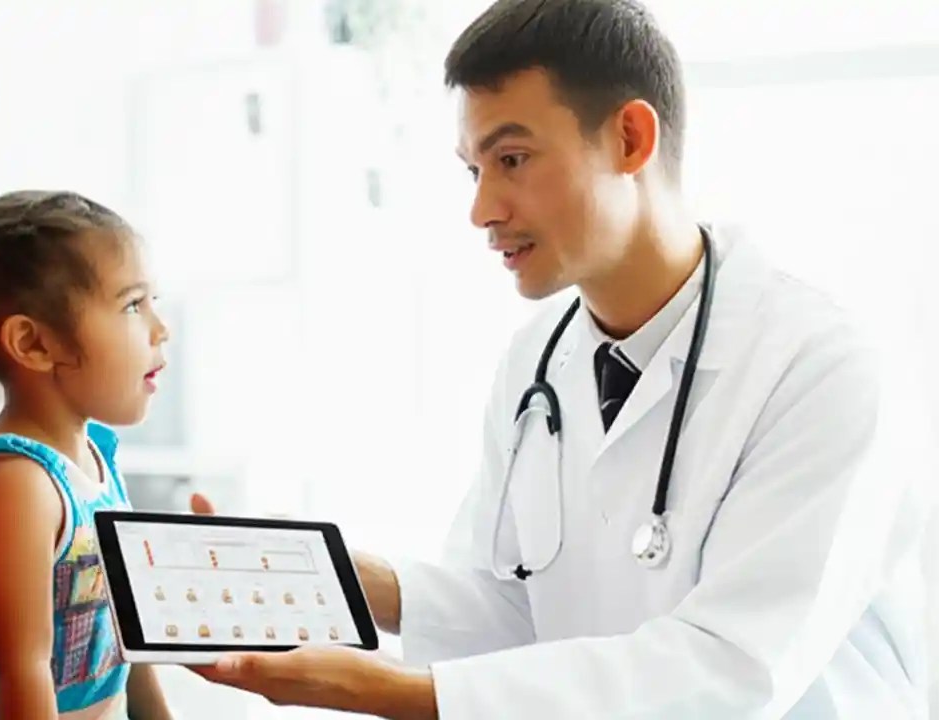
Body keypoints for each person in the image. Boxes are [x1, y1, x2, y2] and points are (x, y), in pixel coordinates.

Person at [192, 0, 928, 717]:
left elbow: (732, 670)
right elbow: (514, 608)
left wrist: (394, 693)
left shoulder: (820, 370)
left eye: (511, 159)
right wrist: (330, 576)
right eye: (472, 169)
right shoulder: (534, 363)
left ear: (631, 140)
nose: (482, 209)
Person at [0, 190, 173, 720]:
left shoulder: (96, 458)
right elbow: (24, 669)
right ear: (34, 344)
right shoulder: (15, 483)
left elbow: (130, 634)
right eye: (133, 305)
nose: (161, 328)